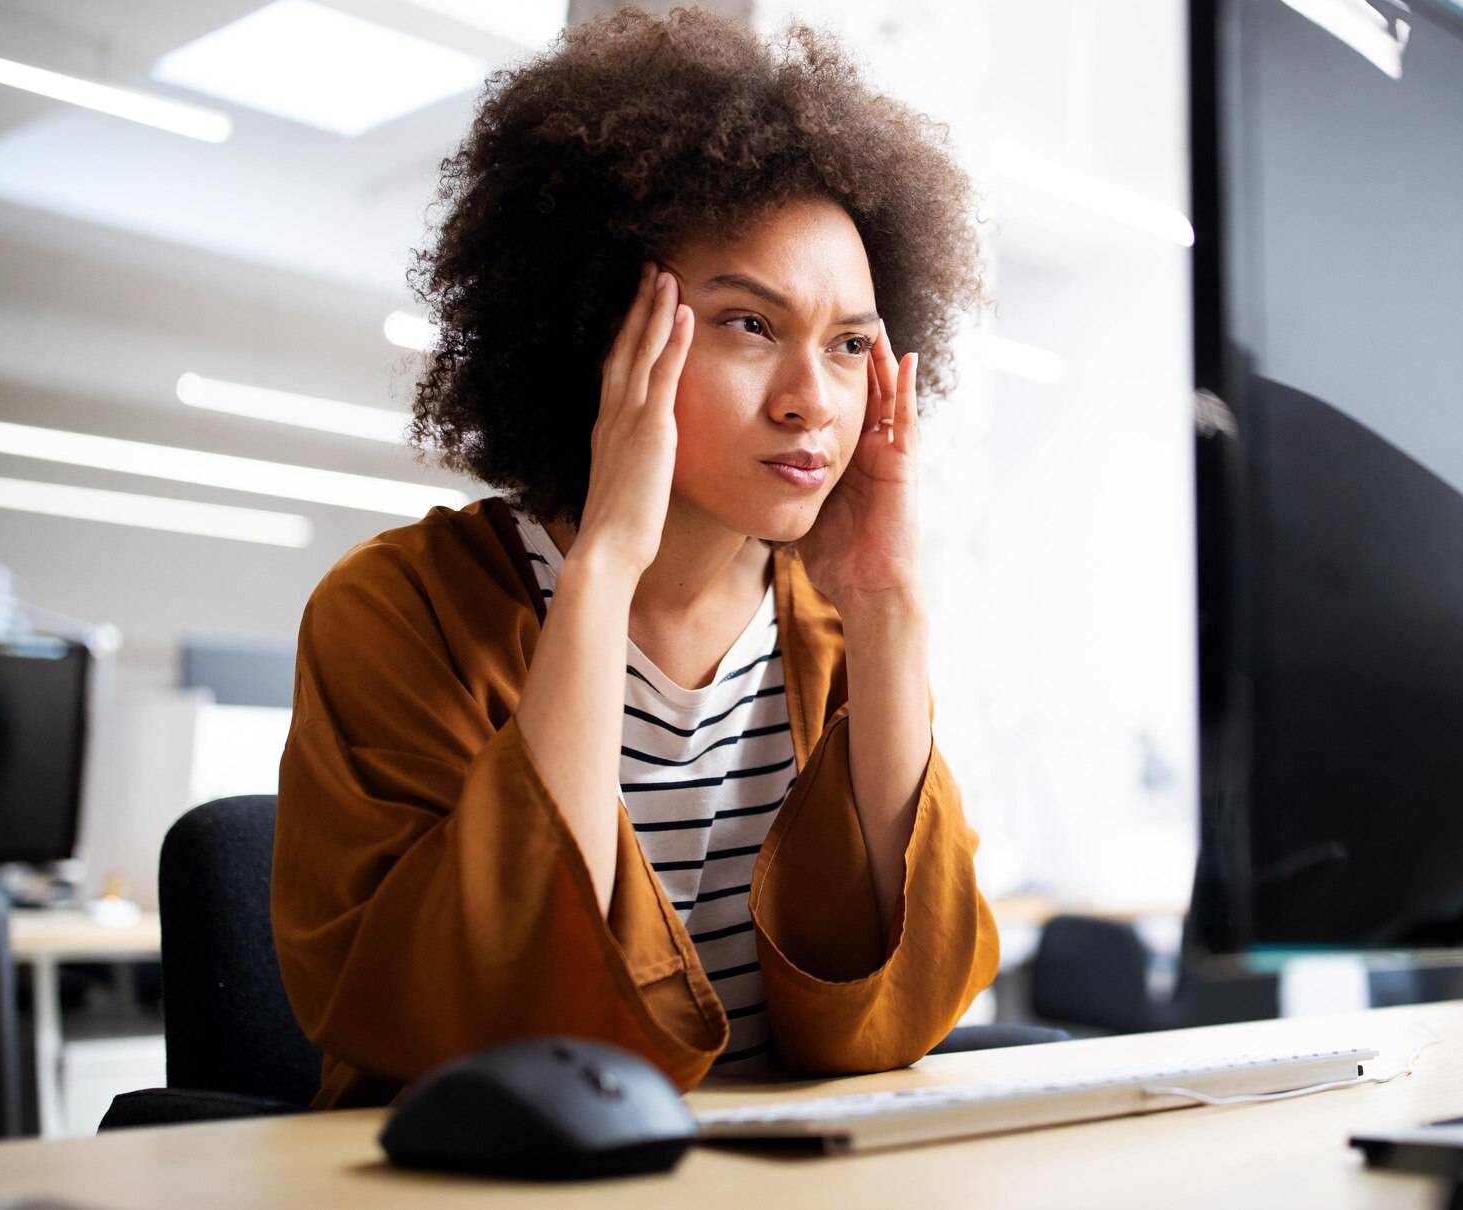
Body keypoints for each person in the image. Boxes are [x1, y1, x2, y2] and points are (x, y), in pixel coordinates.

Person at [271, 7, 997, 1109]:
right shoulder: (398, 609)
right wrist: (604, 562)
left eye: (849, 344)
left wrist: (889, 607)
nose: (812, 399)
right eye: (749, 325)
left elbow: (898, 1009)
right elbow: (496, 1027)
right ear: (601, 334)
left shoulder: (832, 627)